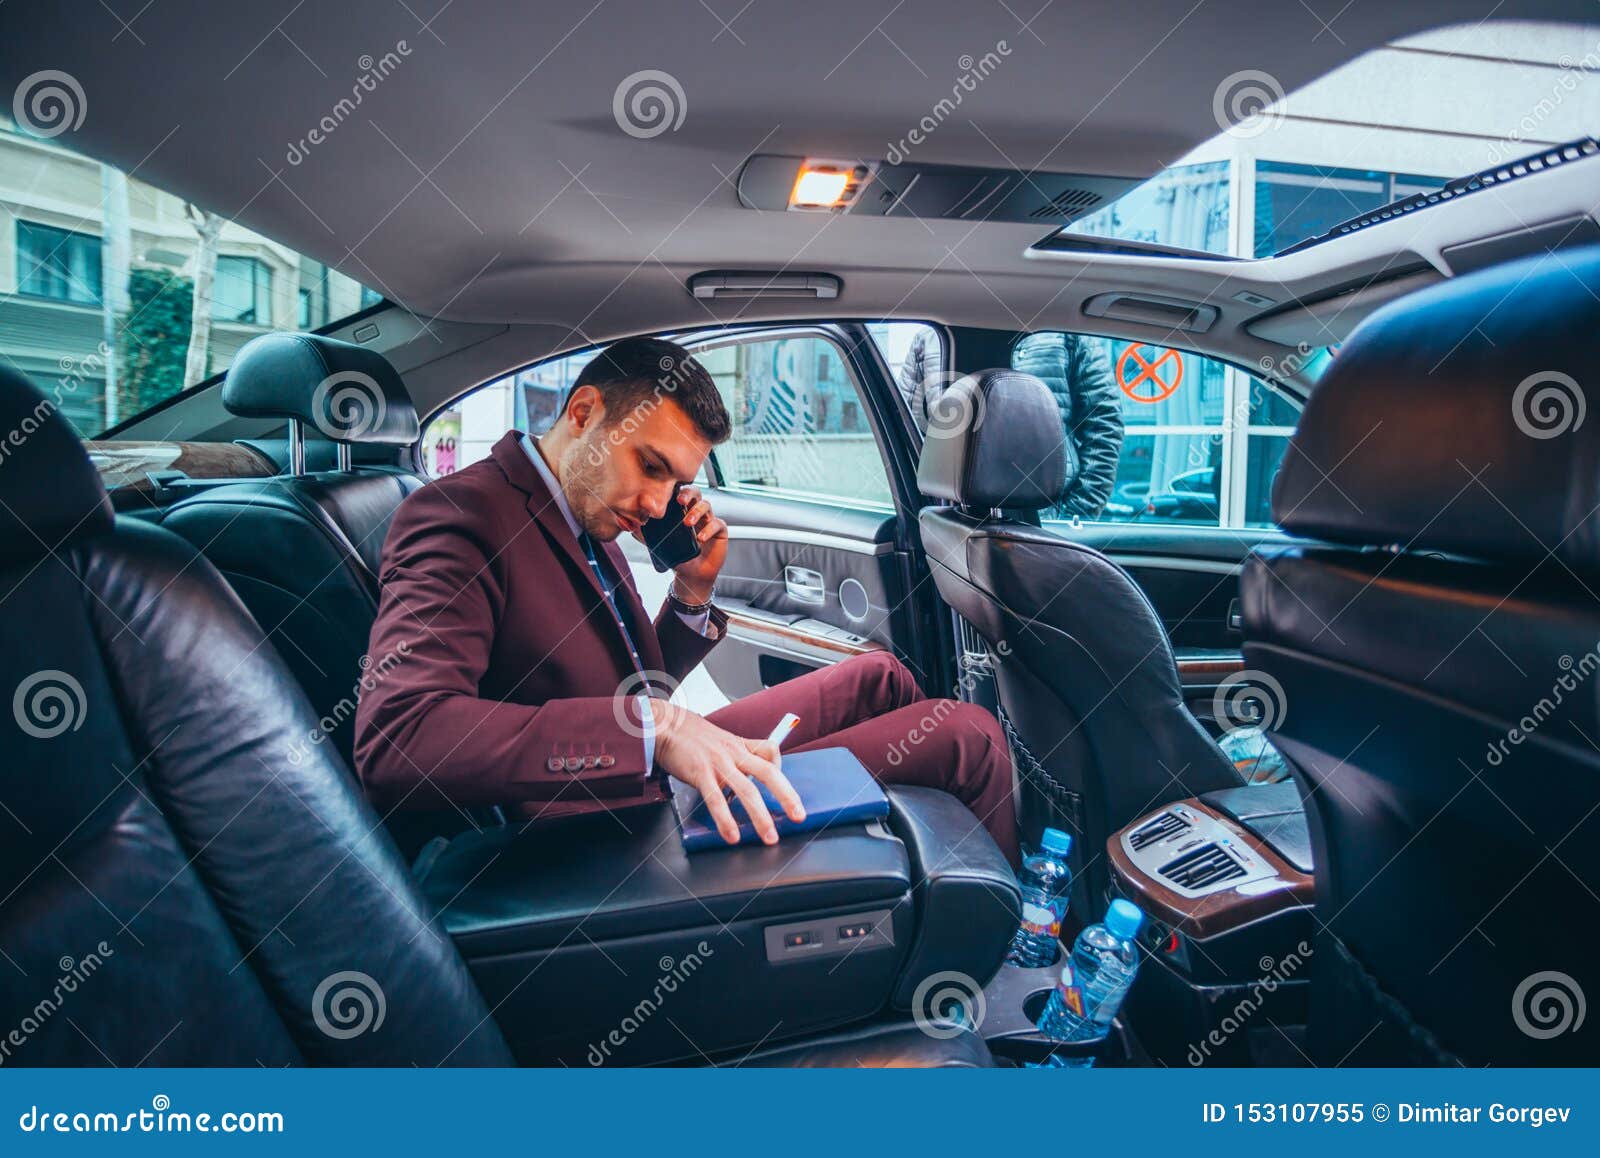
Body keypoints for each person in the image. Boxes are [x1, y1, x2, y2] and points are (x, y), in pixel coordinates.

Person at [354, 337, 1019, 864]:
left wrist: (693, 592)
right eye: (650, 464)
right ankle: (1006, 950)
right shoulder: (461, 515)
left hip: (638, 771)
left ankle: (901, 870)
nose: (655, 503)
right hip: (600, 823)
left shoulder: (585, 511)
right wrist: (658, 729)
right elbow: (398, 738)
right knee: (968, 737)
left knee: (881, 675)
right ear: (583, 413)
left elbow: (632, 685)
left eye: (673, 480)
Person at [899, 328, 1124, 519]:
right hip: (954, 515)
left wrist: (1074, 513)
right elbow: (909, 434)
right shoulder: (930, 339)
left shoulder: (1066, 336)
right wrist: (931, 511)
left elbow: (1103, 426)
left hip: (1047, 513)